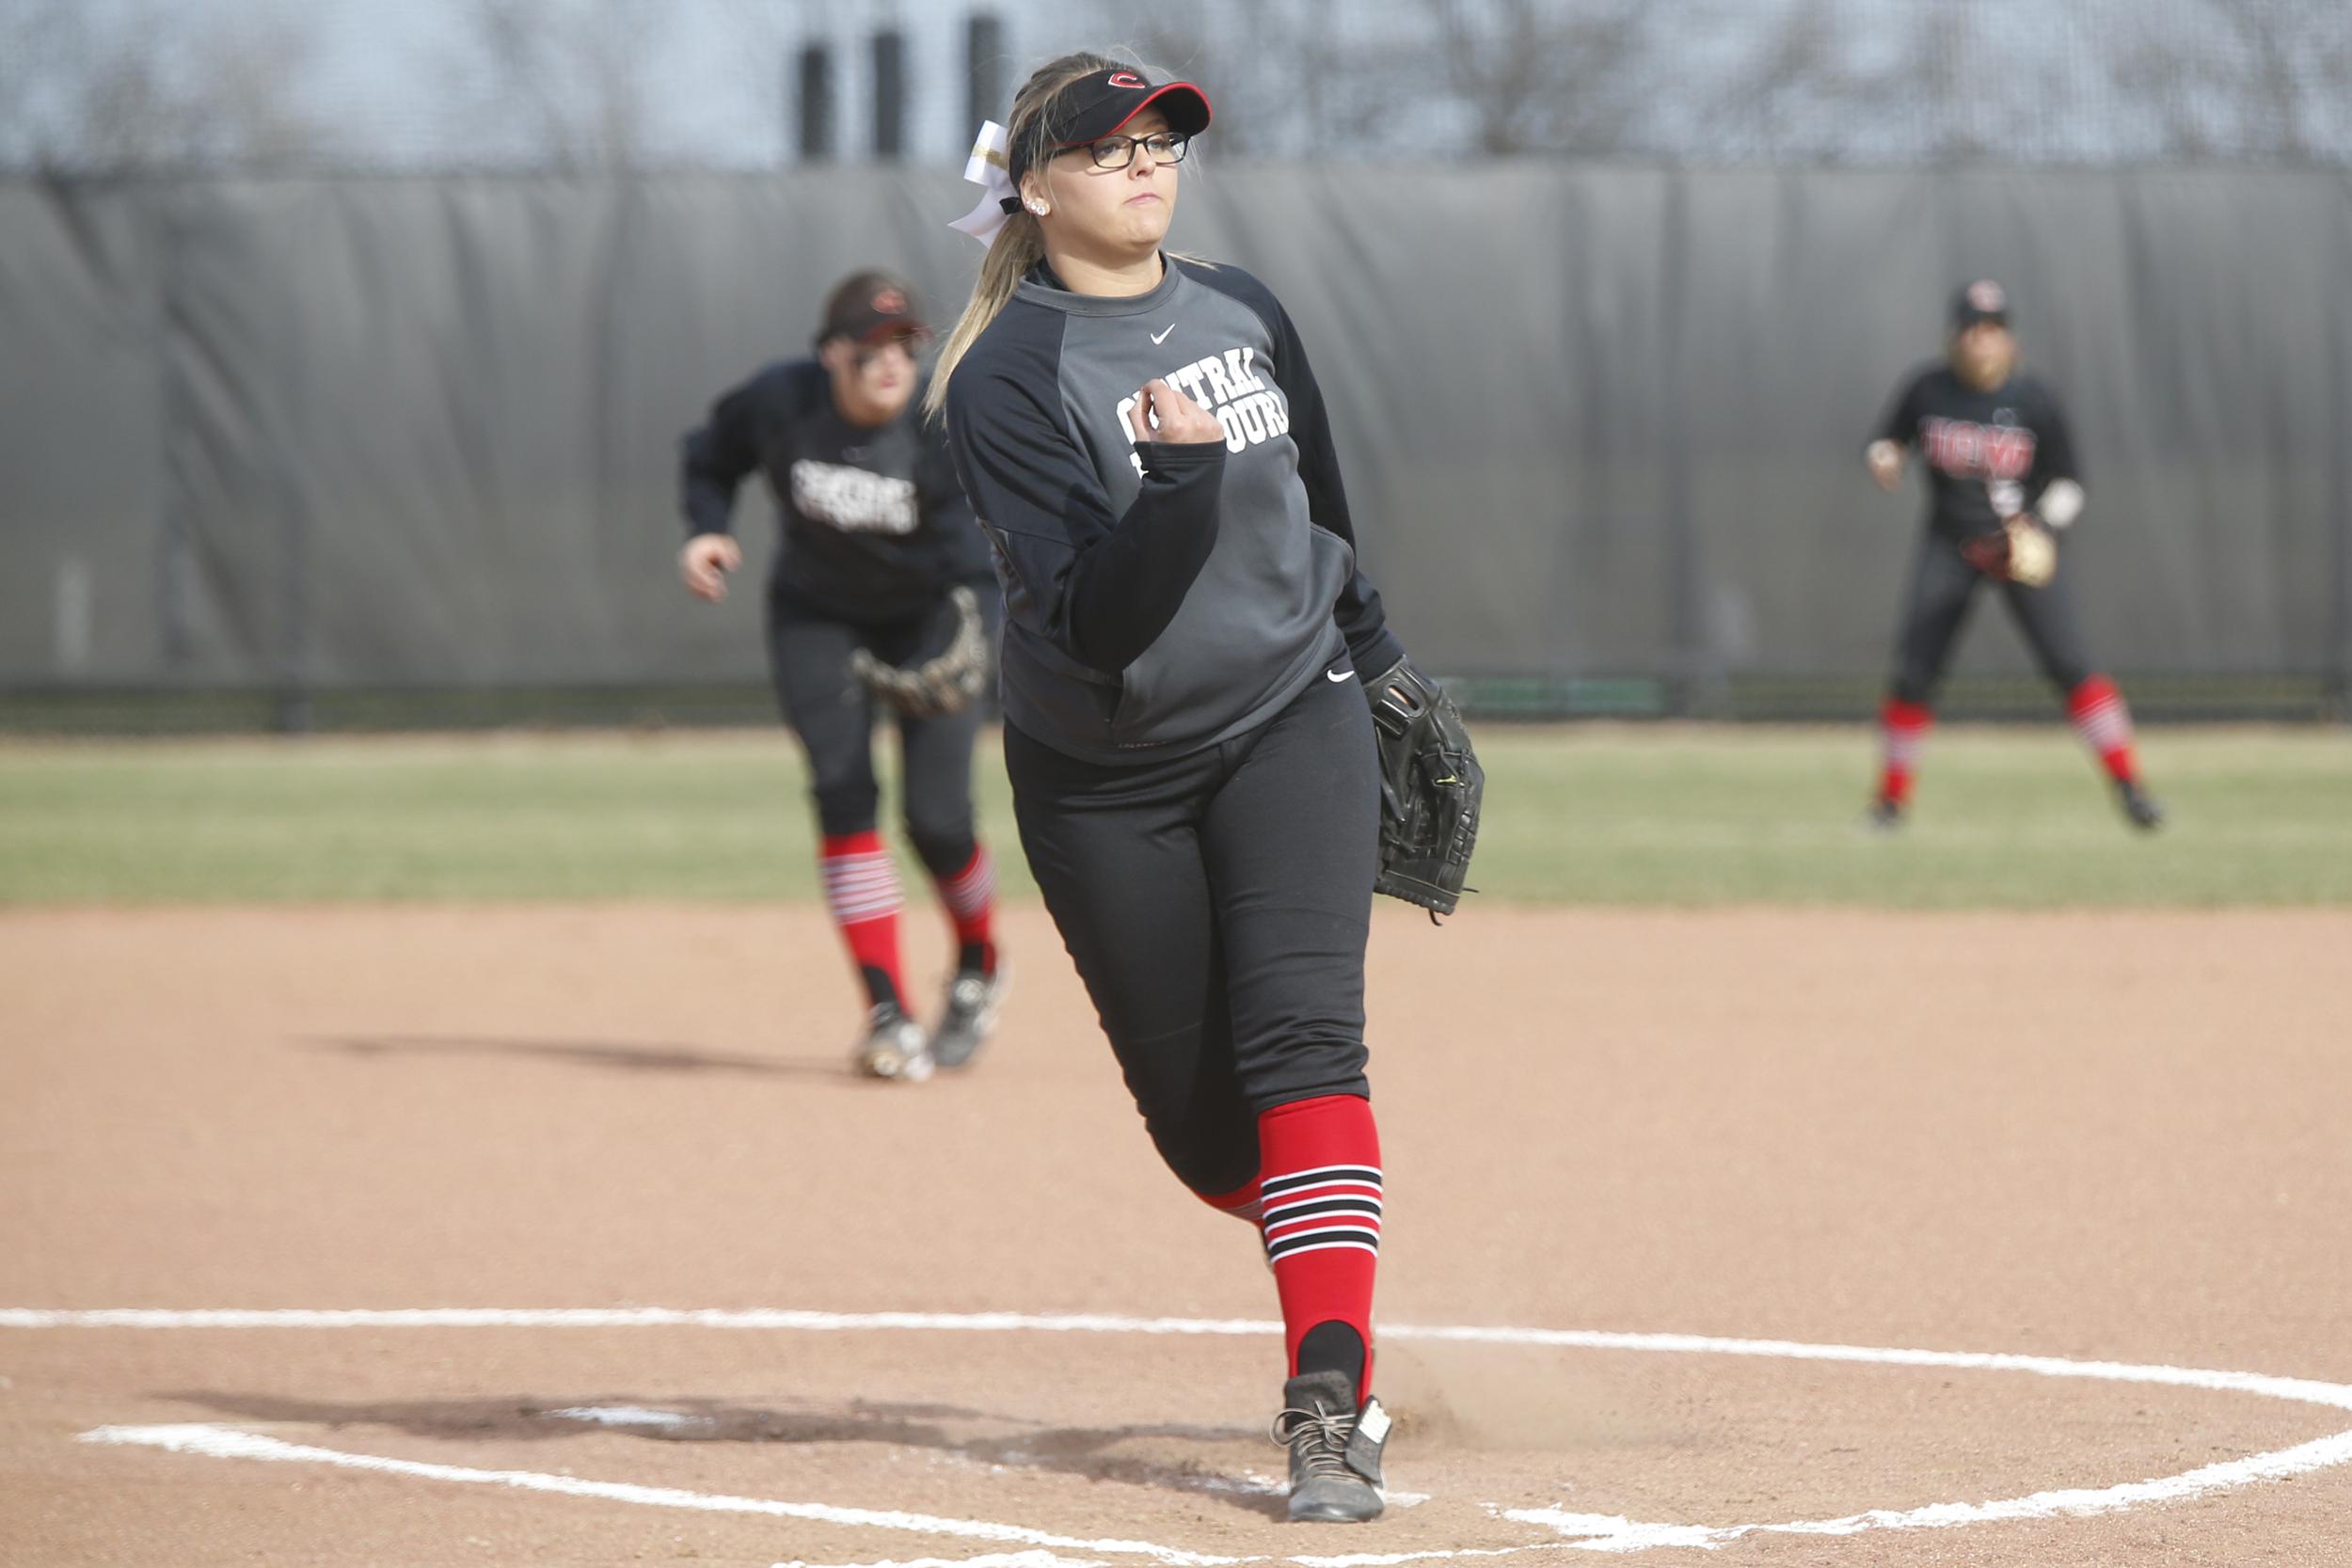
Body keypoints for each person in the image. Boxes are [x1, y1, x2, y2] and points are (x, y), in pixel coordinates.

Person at [930, 54, 1445, 1525]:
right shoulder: (1006, 378)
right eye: (1105, 148)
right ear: (1030, 185)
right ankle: (1317, 1224)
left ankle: (1329, 1401)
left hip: (1296, 714)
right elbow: (1094, 619)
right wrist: (1176, 481)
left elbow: (1320, 509)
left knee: (1306, 1046)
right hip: (1105, 779)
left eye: (1162, 140)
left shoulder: (1243, 308)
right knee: (1213, 1138)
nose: (1145, 164)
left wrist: (1380, 658)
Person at [678, 272, 1009, 1082]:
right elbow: (707, 456)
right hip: (817, 615)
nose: (892, 363)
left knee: (936, 821)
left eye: (905, 346)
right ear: (831, 354)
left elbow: (983, 562)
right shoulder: (780, 402)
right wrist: (707, 532)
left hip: (928, 618)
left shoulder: (941, 428)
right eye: (871, 348)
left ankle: (977, 961)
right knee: (841, 790)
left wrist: (974, 645)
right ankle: (887, 1011)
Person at [1864, 279, 2163, 831]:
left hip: (2021, 547)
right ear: (1953, 337)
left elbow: (2071, 481)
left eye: (1994, 329)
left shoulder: (2033, 399)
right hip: (1949, 544)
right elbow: (1888, 440)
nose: (1983, 340)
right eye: (1973, 329)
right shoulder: (1927, 389)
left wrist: (2040, 526)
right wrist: (1884, 457)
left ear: (2010, 339)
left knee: (2072, 665)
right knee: (1913, 673)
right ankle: (1889, 804)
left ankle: (2132, 789)